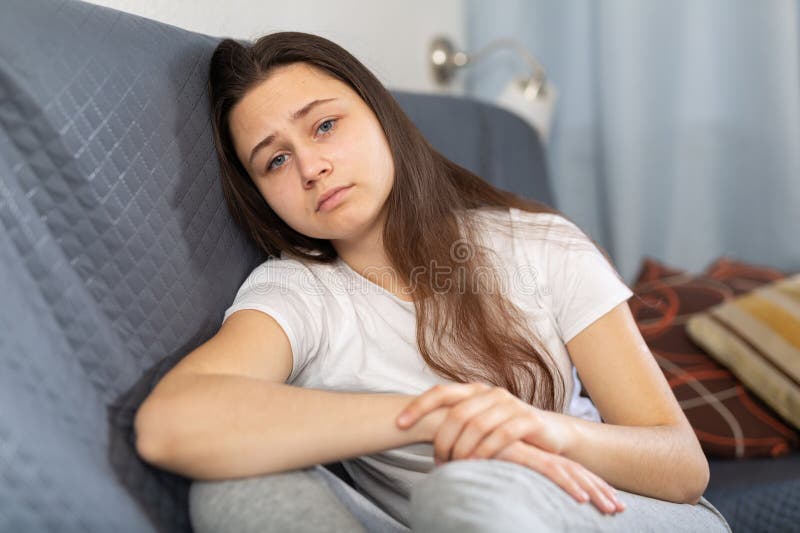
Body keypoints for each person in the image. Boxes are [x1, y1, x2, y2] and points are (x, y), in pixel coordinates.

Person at [133, 31, 732, 533]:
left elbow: (681, 466)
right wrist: (433, 417)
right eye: (276, 160)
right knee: (232, 494)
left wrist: (545, 431)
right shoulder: (297, 294)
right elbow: (171, 425)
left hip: (602, 507)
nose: (312, 168)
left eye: (324, 127)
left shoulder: (538, 243)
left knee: (467, 494)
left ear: (382, 117)